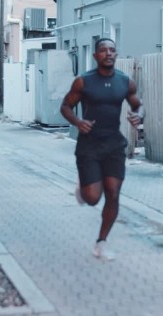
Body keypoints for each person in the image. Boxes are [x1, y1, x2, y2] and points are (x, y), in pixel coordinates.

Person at [60, 37, 143, 261]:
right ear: (96, 56)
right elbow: (66, 106)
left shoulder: (125, 82)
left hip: (114, 145)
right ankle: (83, 186)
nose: (108, 53)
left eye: (112, 50)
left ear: (116, 55)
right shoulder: (83, 82)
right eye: (103, 50)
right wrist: (77, 122)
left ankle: (101, 242)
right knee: (93, 198)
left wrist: (138, 115)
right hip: (89, 145)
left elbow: (138, 104)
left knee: (113, 194)